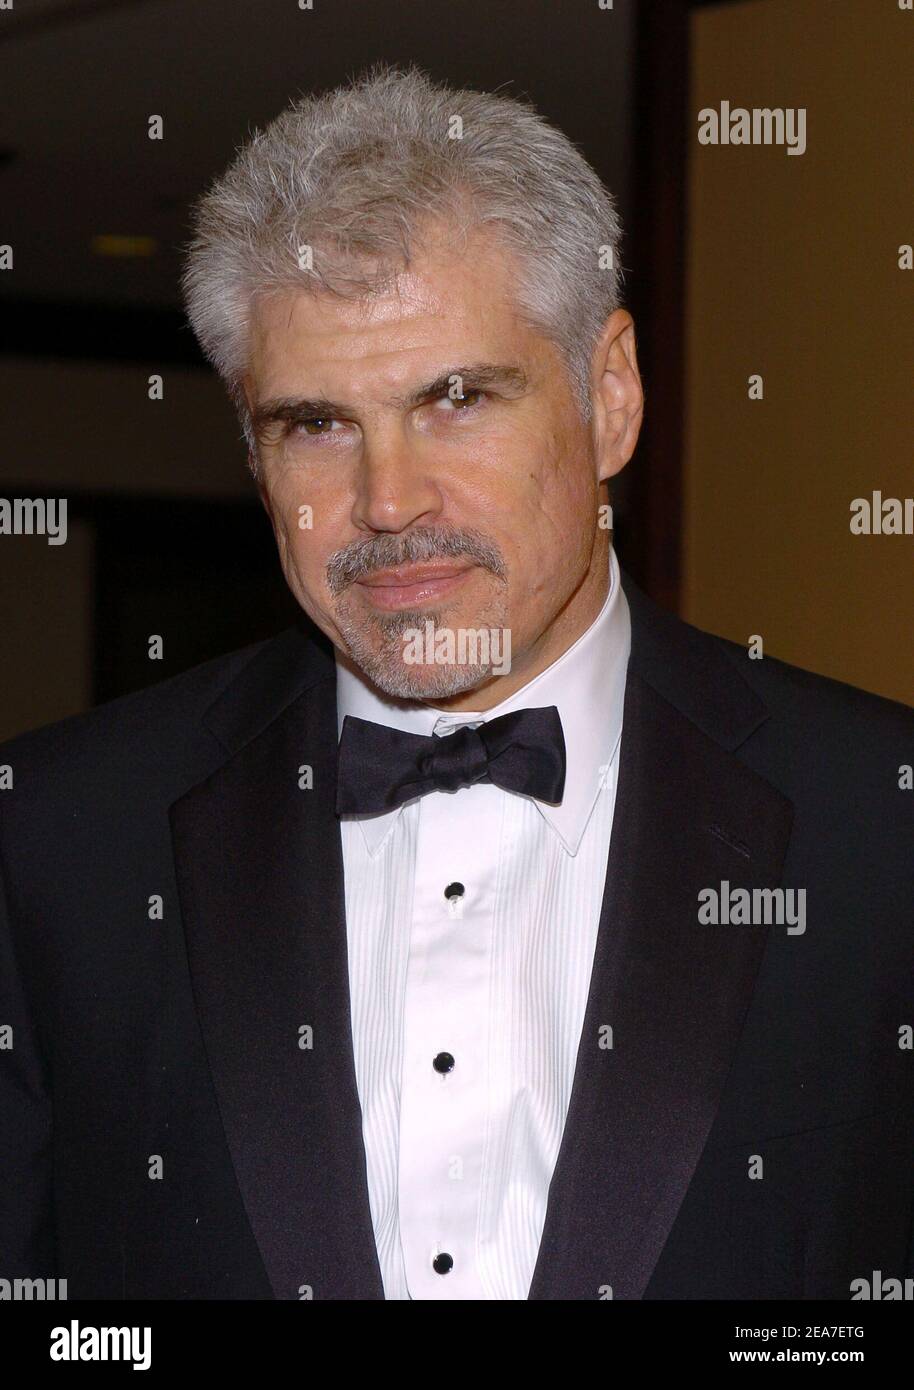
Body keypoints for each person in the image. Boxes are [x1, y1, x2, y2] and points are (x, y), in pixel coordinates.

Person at [1, 64, 911, 1301]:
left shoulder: (879, 823)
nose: (386, 501)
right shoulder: (58, 835)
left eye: (456, 399)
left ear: (611, 395)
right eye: (314, 423)